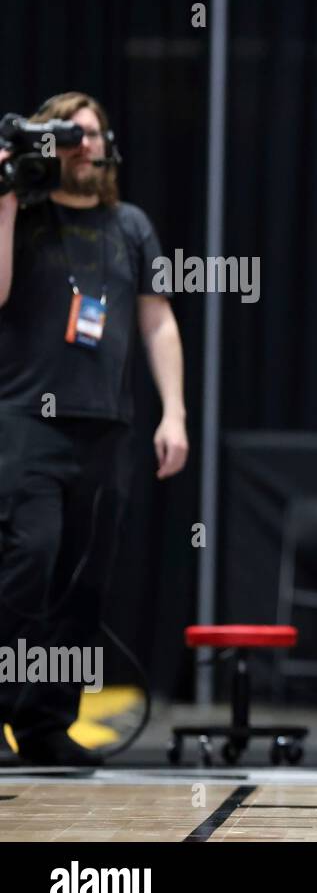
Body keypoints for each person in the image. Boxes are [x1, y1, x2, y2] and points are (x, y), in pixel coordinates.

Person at [0, 92, 188, 767]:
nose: (83, 146)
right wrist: (4, 193)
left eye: (93, 135)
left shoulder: (131, 224)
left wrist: (175, 412)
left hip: (107, 426)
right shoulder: (25, 213)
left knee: (82, 582)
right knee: (28, 560)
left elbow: (157, 317)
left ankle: (46, 722)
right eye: (67, 137)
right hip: (25, 422)